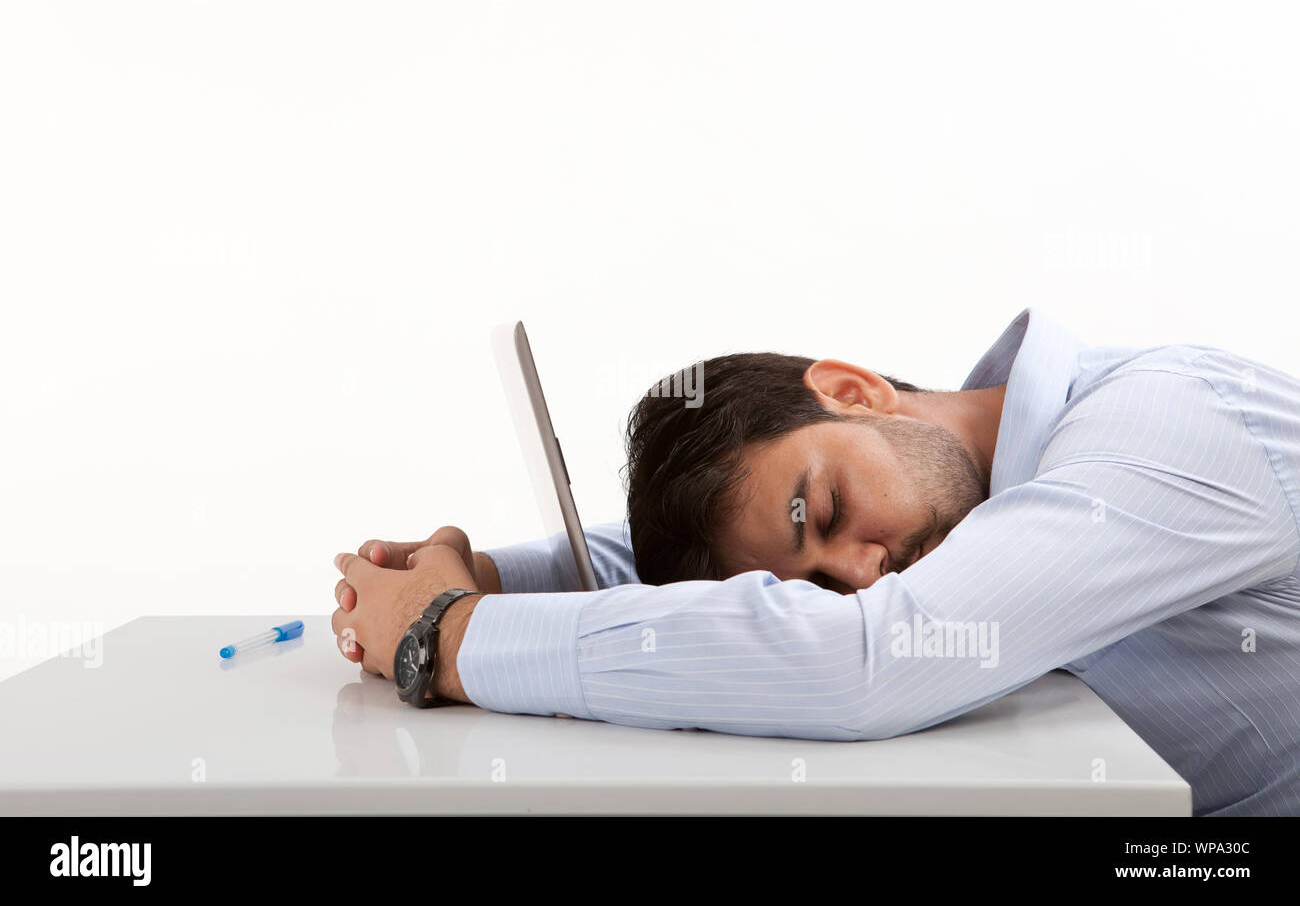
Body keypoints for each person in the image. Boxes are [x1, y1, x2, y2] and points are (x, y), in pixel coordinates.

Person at [330, 307, 1300, 815]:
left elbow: (868, 656)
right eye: (819, 583)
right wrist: (493, 574)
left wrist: (446, 633)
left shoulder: (1162, 424)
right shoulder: (990, 494)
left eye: (826, 508)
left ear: (852, 389)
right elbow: (745, 573)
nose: (866, 572)